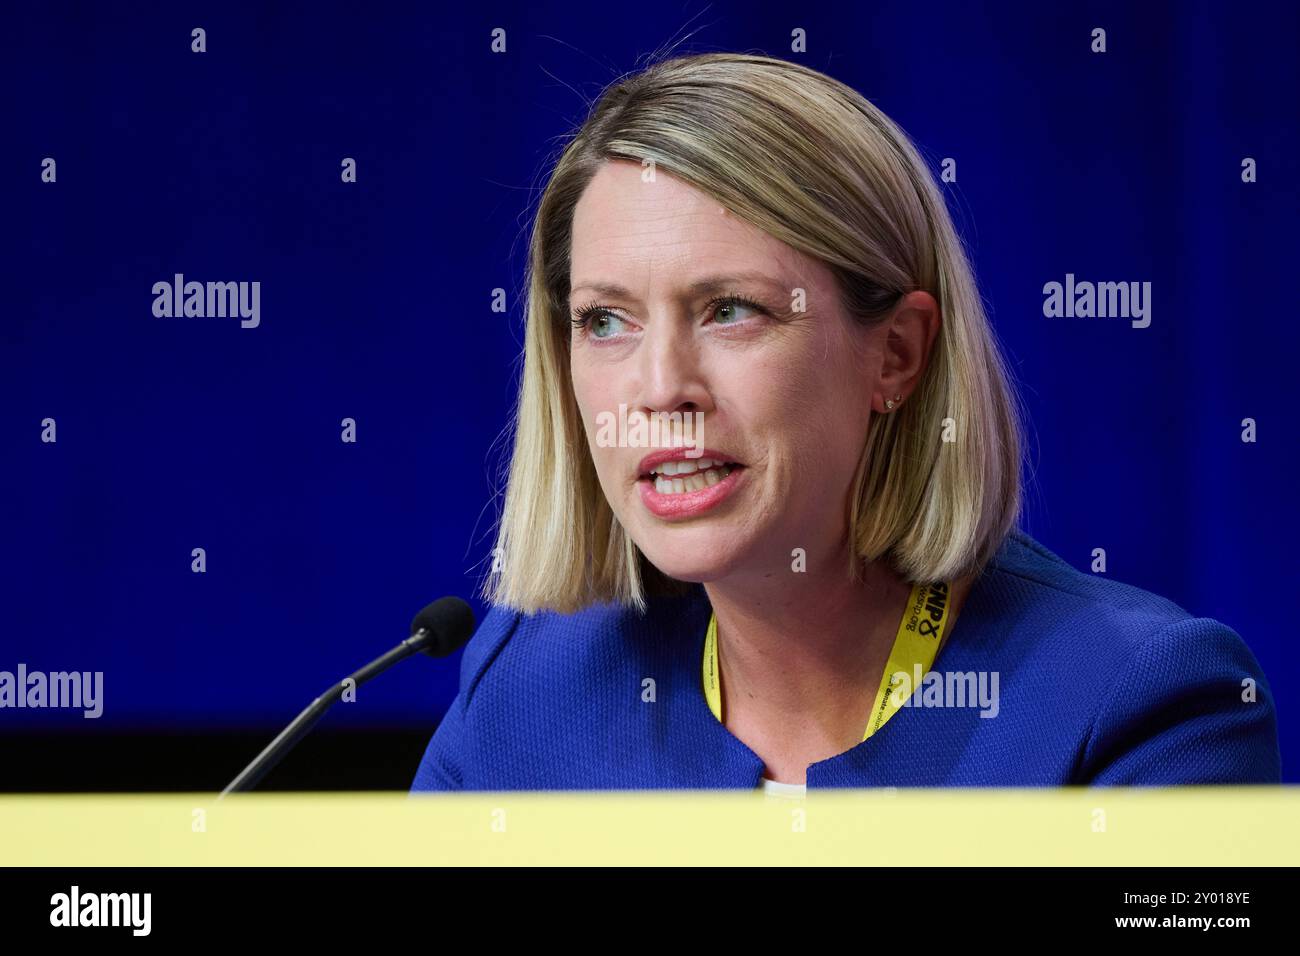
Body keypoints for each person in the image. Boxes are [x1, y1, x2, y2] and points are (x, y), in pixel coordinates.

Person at [411, 52, 1280, 794]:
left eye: (730, 310)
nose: (661, 387)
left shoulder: (1142, 705)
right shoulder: (525, 694)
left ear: (895, 354)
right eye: (606, 320)